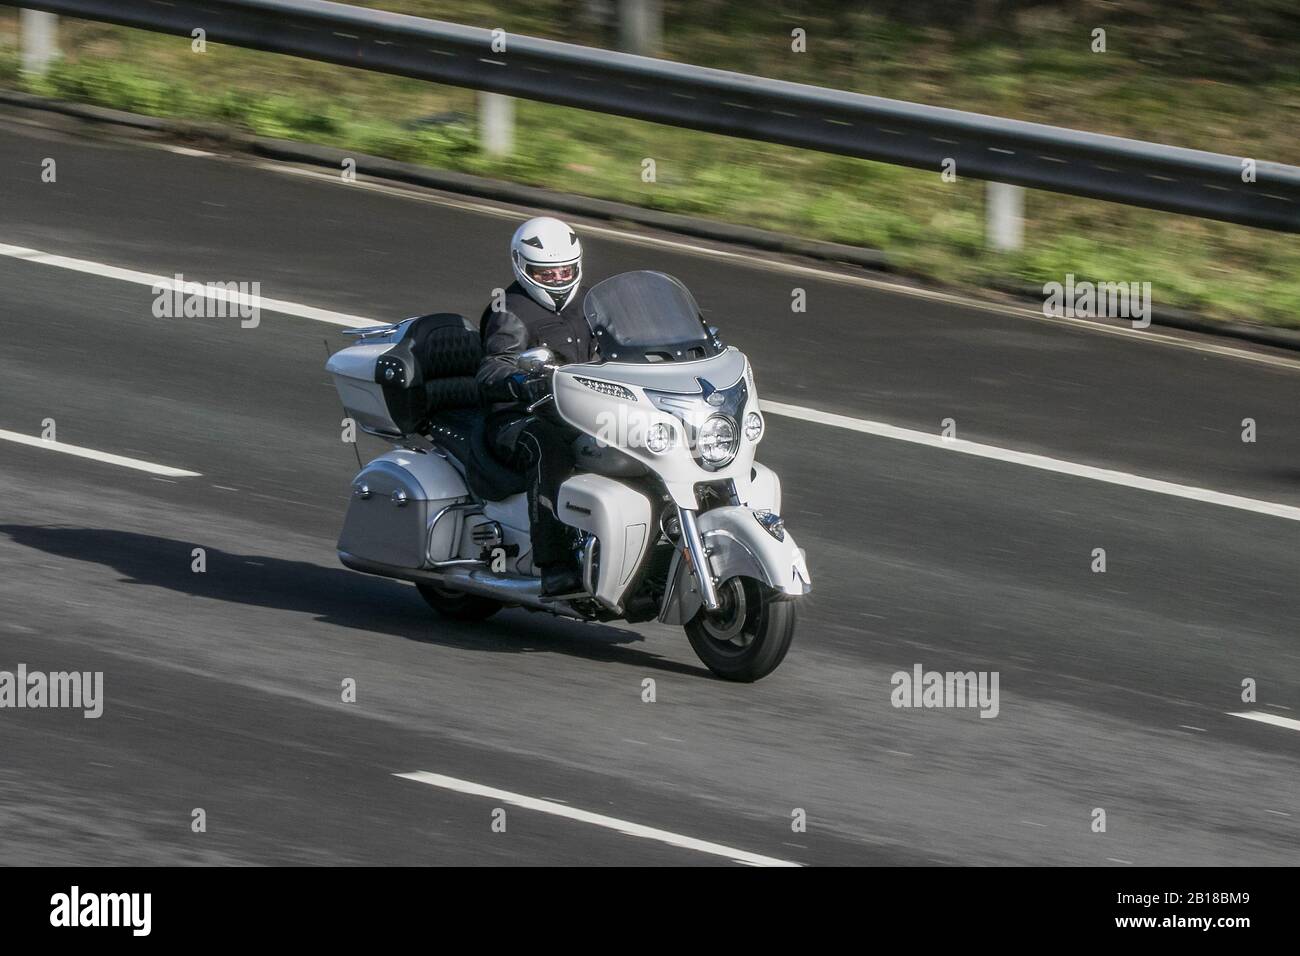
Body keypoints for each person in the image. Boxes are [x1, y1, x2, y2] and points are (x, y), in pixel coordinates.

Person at [477, 216, 597, 596]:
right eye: (546, 273)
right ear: (523, 268)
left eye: (565, 270)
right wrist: (519, 380)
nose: (558, 279)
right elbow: (494, 366)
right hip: (519, 418)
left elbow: (622, 344)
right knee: (548, 448)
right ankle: (555, 565)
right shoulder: (509, 310)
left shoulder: (591, 306)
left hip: (583, 411)